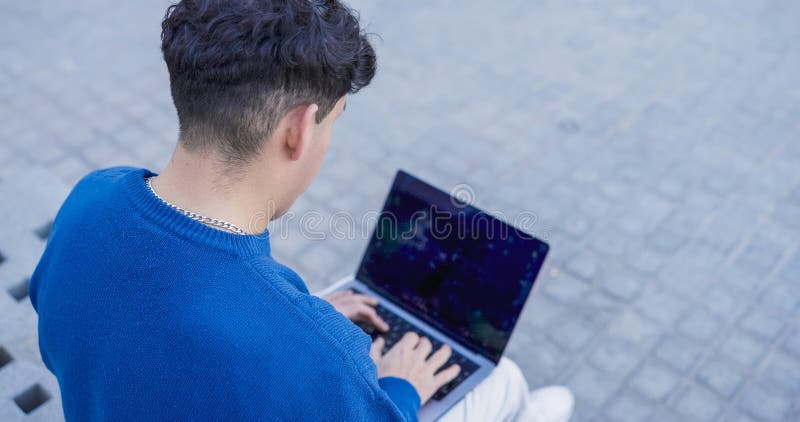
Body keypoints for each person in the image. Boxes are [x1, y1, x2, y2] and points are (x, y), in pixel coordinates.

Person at [30, 0, 574, 420]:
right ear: (299, 128)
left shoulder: (91, 199)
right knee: (506, 384)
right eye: (333, 122)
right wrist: (400, 384)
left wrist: (298, 318)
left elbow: (131, 326)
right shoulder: (315, 357)